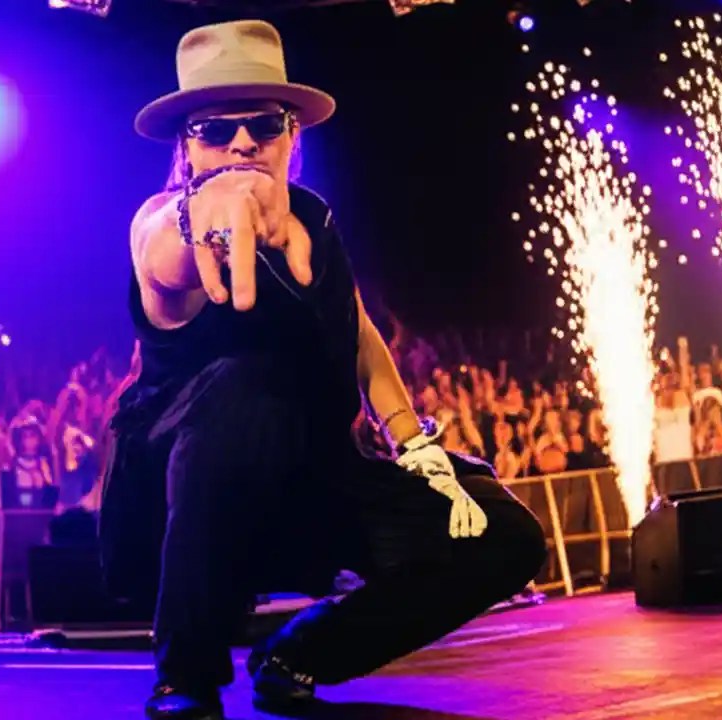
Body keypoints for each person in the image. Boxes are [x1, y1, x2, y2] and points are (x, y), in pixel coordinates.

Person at [99, 20, 547, 720]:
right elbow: (164, 260)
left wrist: (414, 441)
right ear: (186, 148)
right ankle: (185, 672)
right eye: (216, 130)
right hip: (195, 496)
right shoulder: (161, 220)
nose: (243, 143)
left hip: (317, 479)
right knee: (242, 387)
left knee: (504, 536)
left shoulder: (317, 224)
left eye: (262, 125)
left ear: (291, 135)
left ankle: (299, 655)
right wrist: (203, 216)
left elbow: (361, 334)